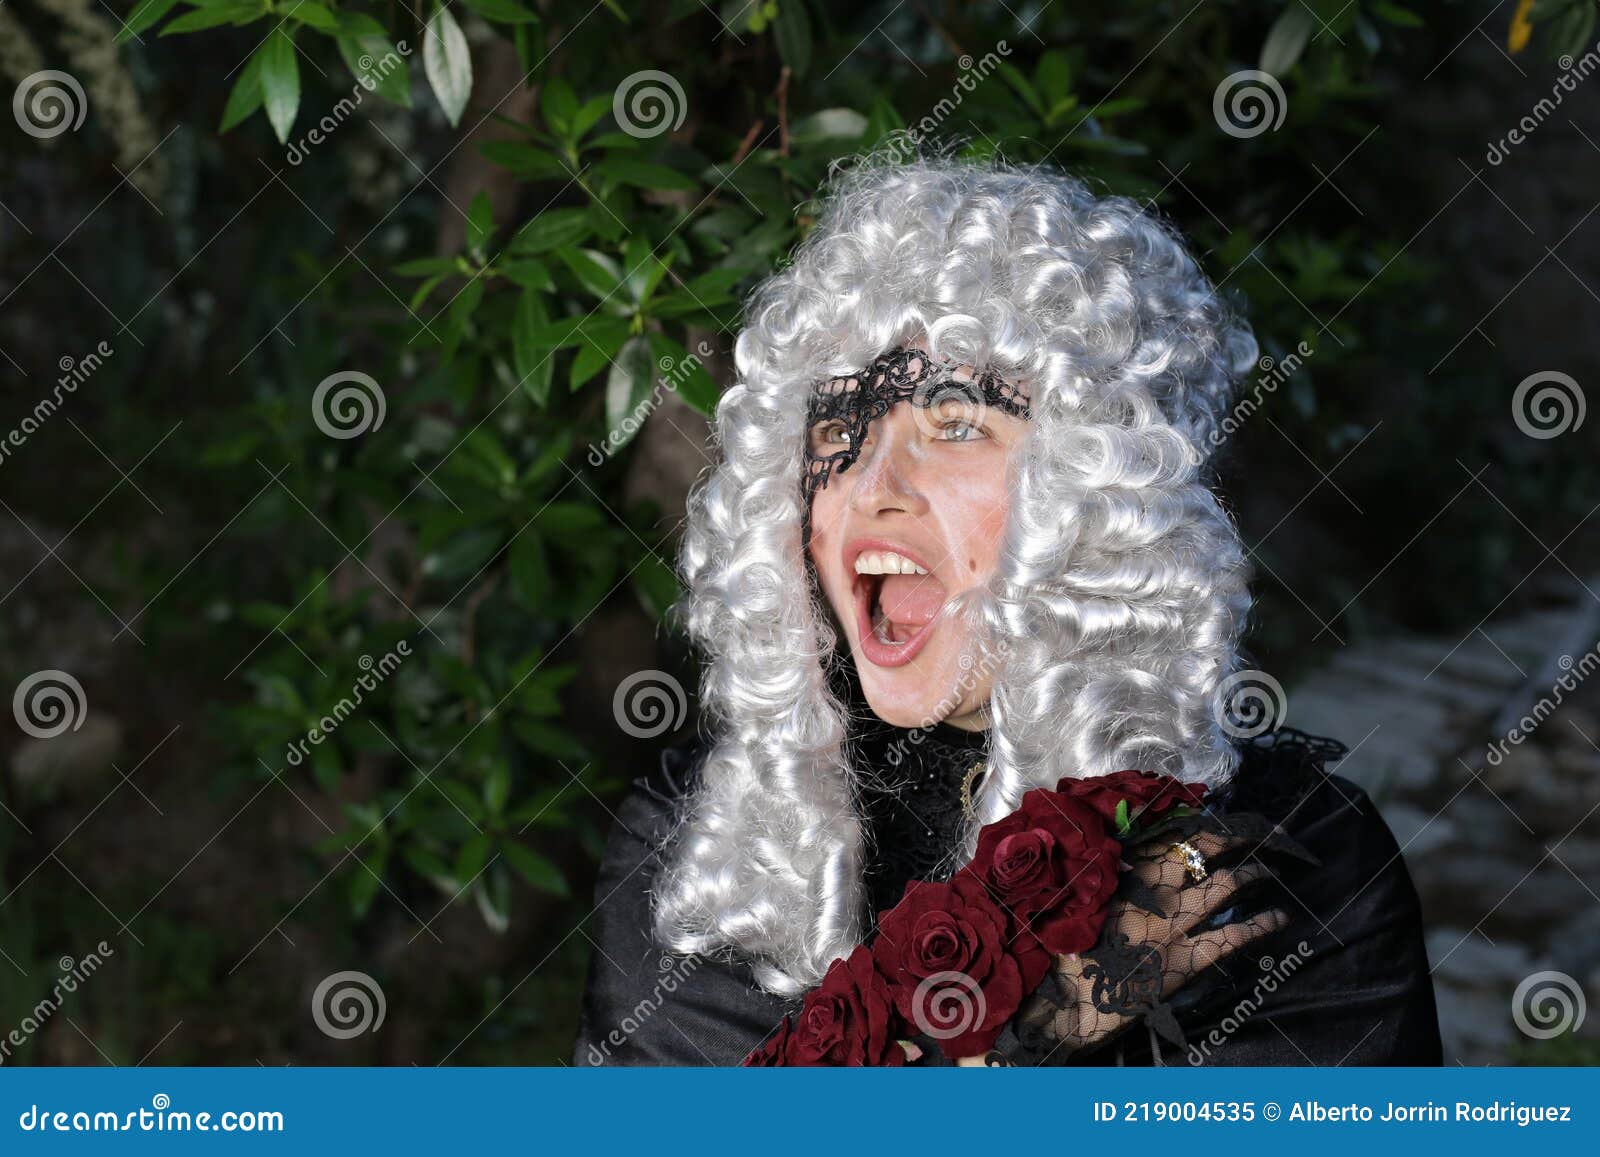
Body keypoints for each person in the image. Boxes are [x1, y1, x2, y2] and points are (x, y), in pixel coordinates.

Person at [573, 153, 1441, 1066]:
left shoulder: (1280, 869)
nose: (874, 487)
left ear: (1101, 492)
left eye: (956, 425)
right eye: (838, 429)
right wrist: (1020, 1043)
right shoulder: (700, 843)